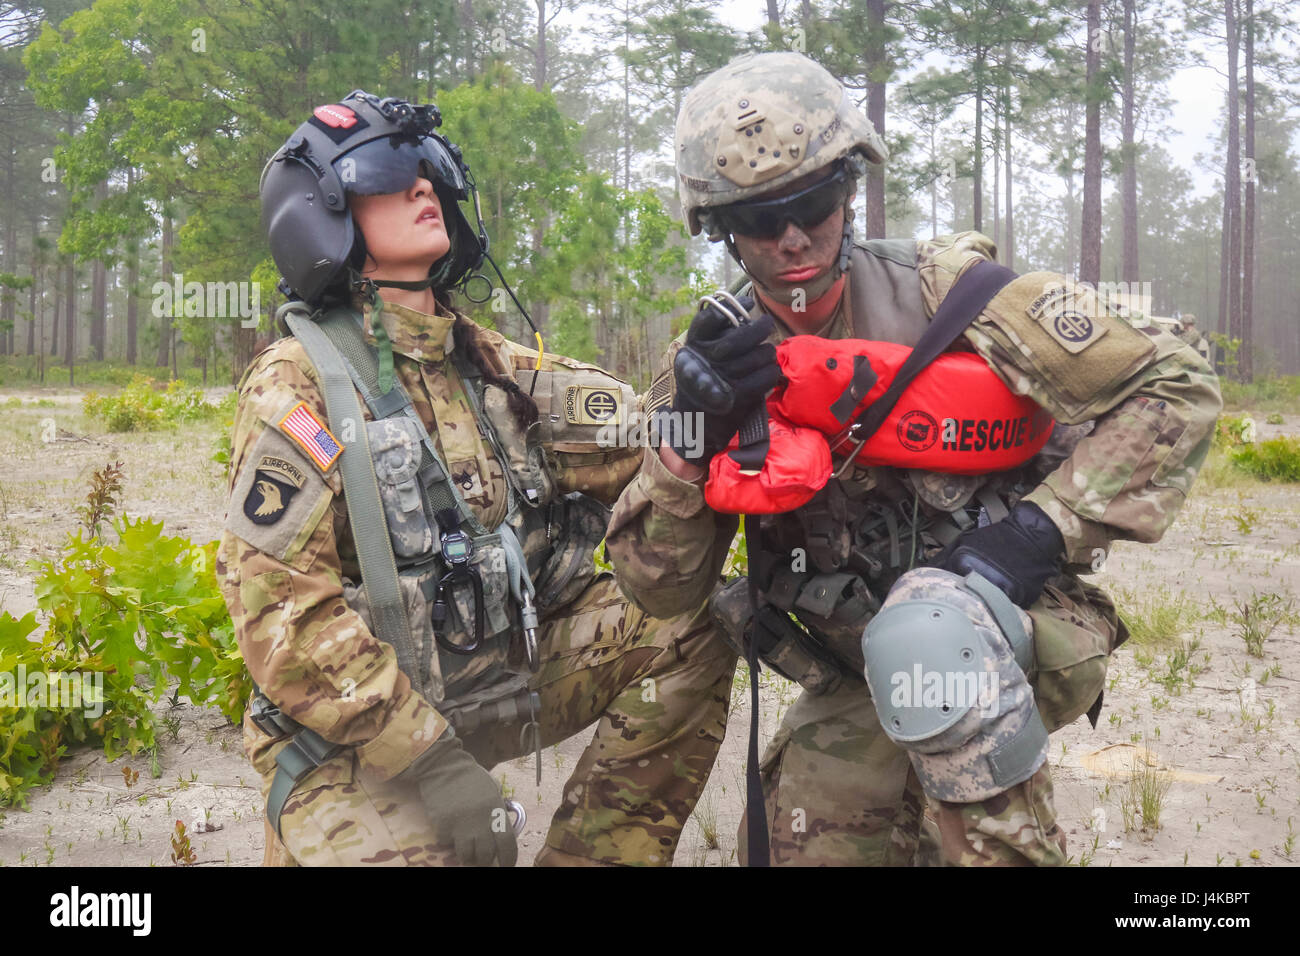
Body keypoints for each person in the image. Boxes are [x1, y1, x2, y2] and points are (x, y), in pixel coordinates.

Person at [604, 52, 1223, 866]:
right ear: (720, 227)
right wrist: (690, 439)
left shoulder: (955, 294)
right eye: (760, 218)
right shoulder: (713, 368)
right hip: (852, 668)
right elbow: (660, 588)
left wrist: (1039, 533)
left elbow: (1176, 381)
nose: (793, 237)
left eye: (813, 202)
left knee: (931, 637)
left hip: (1002, 624)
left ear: (851, 188)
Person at [217, 90, 735, 867]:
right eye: (387, 170)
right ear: (319, 214)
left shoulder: (489, 364)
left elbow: (644, 433)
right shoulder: (297, 385)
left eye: (429, 169)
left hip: (492, 684)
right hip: (354, 743)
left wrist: (711, 376)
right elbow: (282, 624)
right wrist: (437, 769)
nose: (423, 187)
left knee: (692, 627)